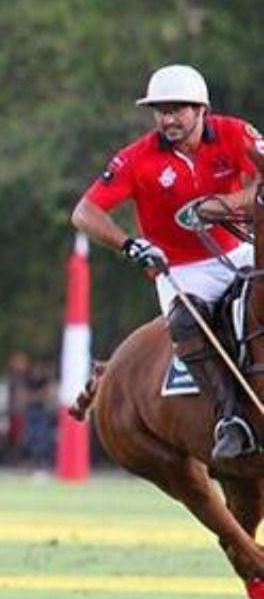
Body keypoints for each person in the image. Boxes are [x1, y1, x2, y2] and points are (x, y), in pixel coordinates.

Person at [72, 63, 264, 460]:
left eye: (178, 109)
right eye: (161, 110)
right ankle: (231, 418)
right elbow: (85, 213)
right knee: (186, 320)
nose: (168, 118)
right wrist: (130, 245)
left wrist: (224, 204)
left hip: (240, 248)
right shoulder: (136, 159)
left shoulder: (237, 133)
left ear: (201, 109)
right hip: (181, 268)